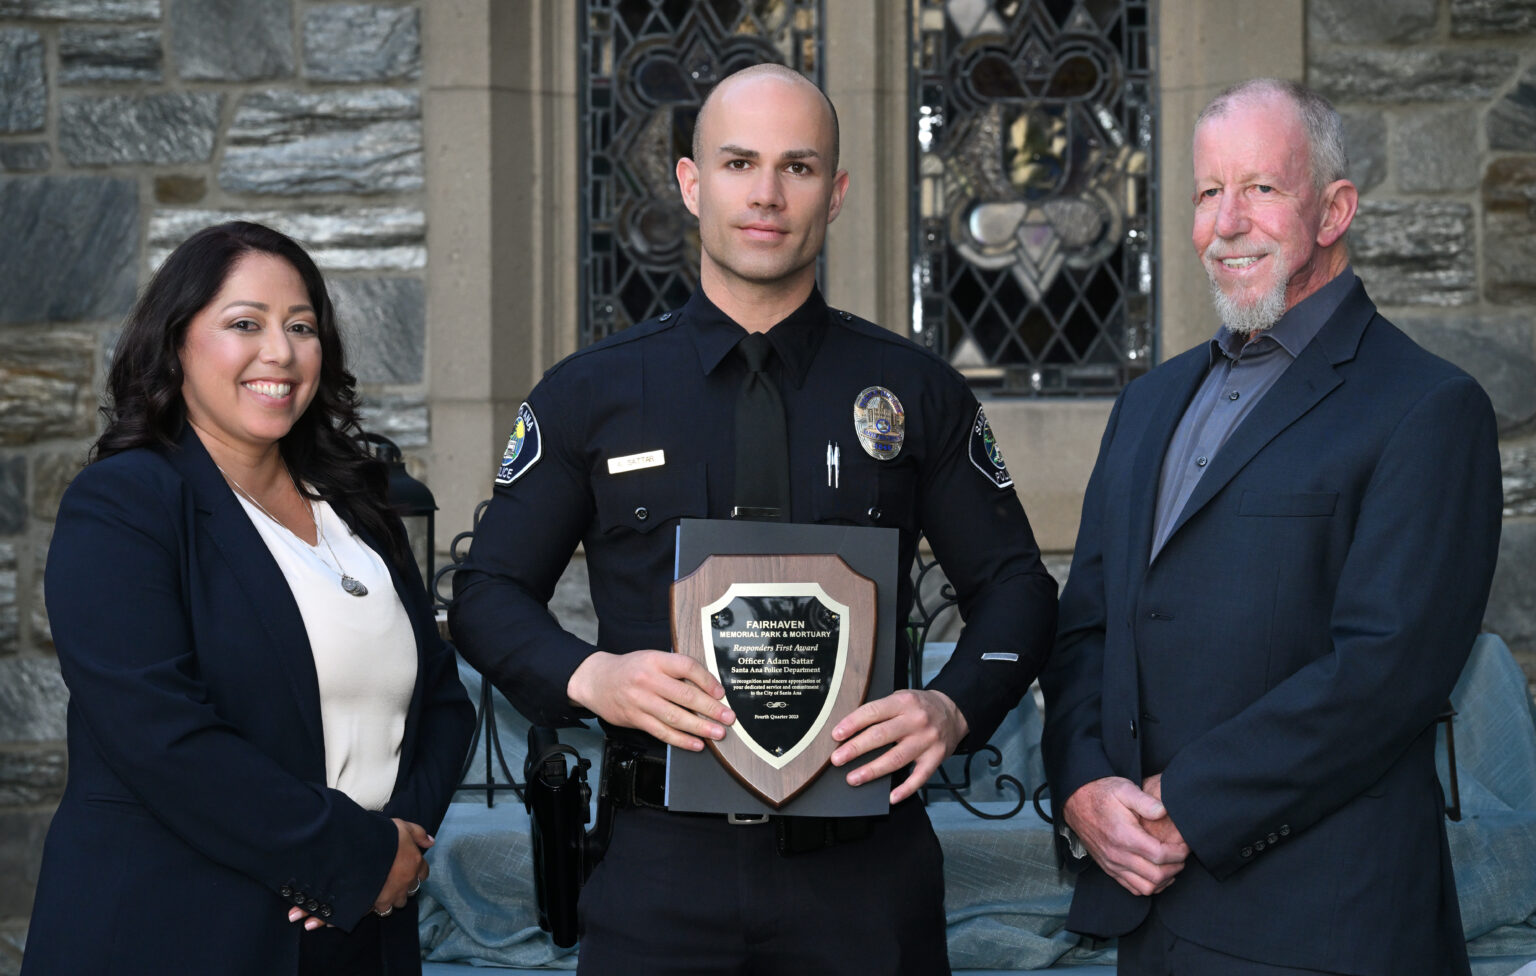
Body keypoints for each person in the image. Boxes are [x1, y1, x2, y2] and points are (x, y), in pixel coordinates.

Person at [450, 63, 1057, 974]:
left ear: (836, 191)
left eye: (798, 167)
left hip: (863, 874)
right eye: (738, 163)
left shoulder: (915, 391)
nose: (766, 194)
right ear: (692, 185)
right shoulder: (591, 395)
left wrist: (952, 707)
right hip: (659, 868)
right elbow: (487, 593)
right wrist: (592, 679)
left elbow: (1017, 588)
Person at [1040, 78, 1503, 975]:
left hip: (1326, 929)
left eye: (1260, 188)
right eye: (1209, 193)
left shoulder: (1429, 408)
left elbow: (1384, 675)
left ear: (1334, 210)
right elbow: (1087, 628)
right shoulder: (1148, 404)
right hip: (1151, 922)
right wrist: (1084, 786)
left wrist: (1191, 803)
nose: (1228, 221)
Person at [24, 222, 475, 976]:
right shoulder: (124, 504)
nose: (281, 351)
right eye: (244, 325)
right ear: (176, 344)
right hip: (179, 931)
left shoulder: (359, 507)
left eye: (301, 327)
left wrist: (401, 844)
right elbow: (162, 738)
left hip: (362, 932)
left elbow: (443, 702)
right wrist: (351, 854)